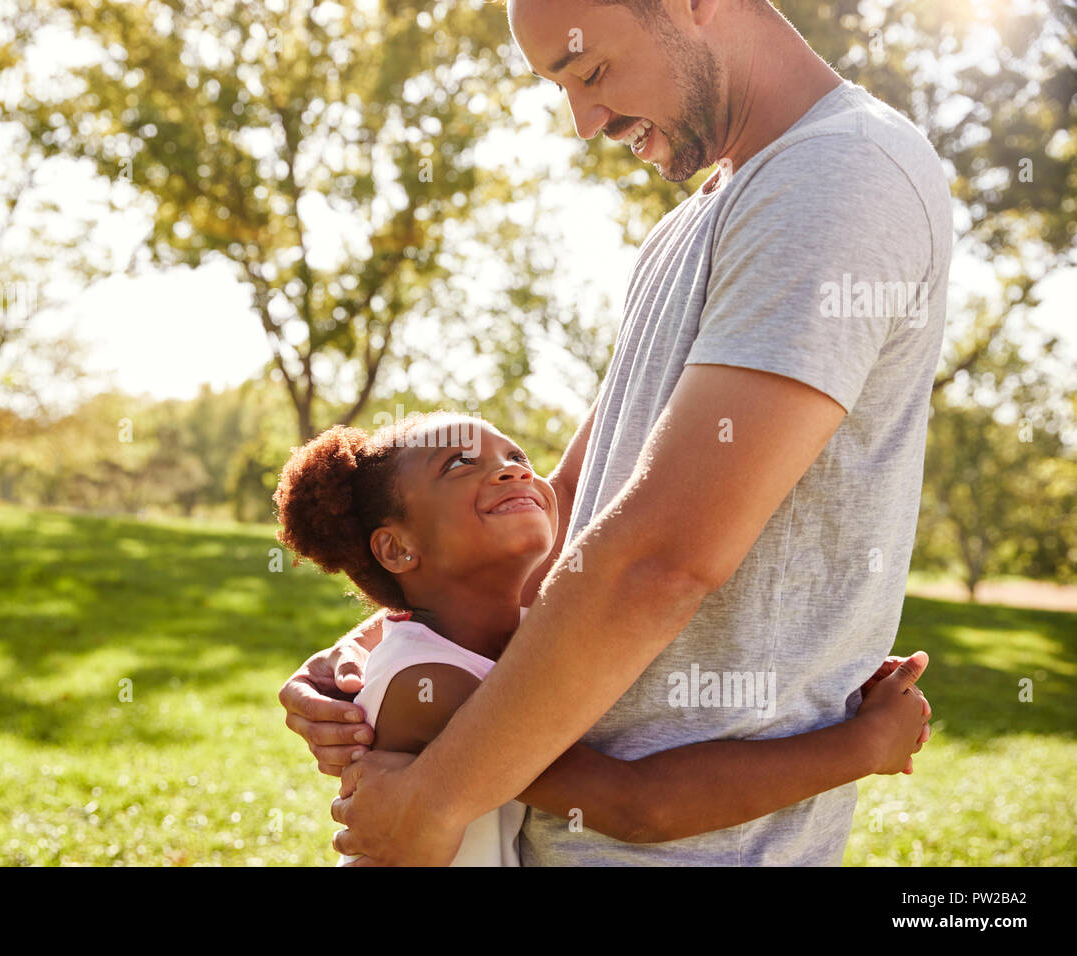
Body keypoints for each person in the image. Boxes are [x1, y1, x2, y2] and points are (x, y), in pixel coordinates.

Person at [282, 0, 953, 865]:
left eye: (590, 73)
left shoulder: (840, 176)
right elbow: (570, 504)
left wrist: (433, 797)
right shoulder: (684, 232)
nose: (584, 122)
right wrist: (375, 650)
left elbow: (659, 559)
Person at [275, 411, 931, 866]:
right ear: (397, 547)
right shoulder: (436, 686)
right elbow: (636, 806)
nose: (512, 472)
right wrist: (863, 746)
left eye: (516, 457)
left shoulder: (516, 635)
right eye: (458, 465)